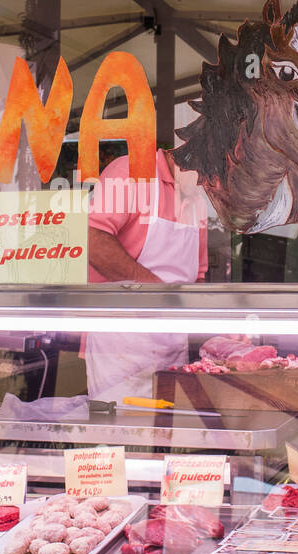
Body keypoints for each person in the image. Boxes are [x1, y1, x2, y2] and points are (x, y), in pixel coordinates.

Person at [82, 147, 208, 402]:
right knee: (123, 432)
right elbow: (92, 239)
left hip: (173, 345)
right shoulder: (131, 172)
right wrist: (159, 296)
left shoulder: (197, 201)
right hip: (121, 346)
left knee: (165, 433)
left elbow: (198, 277)